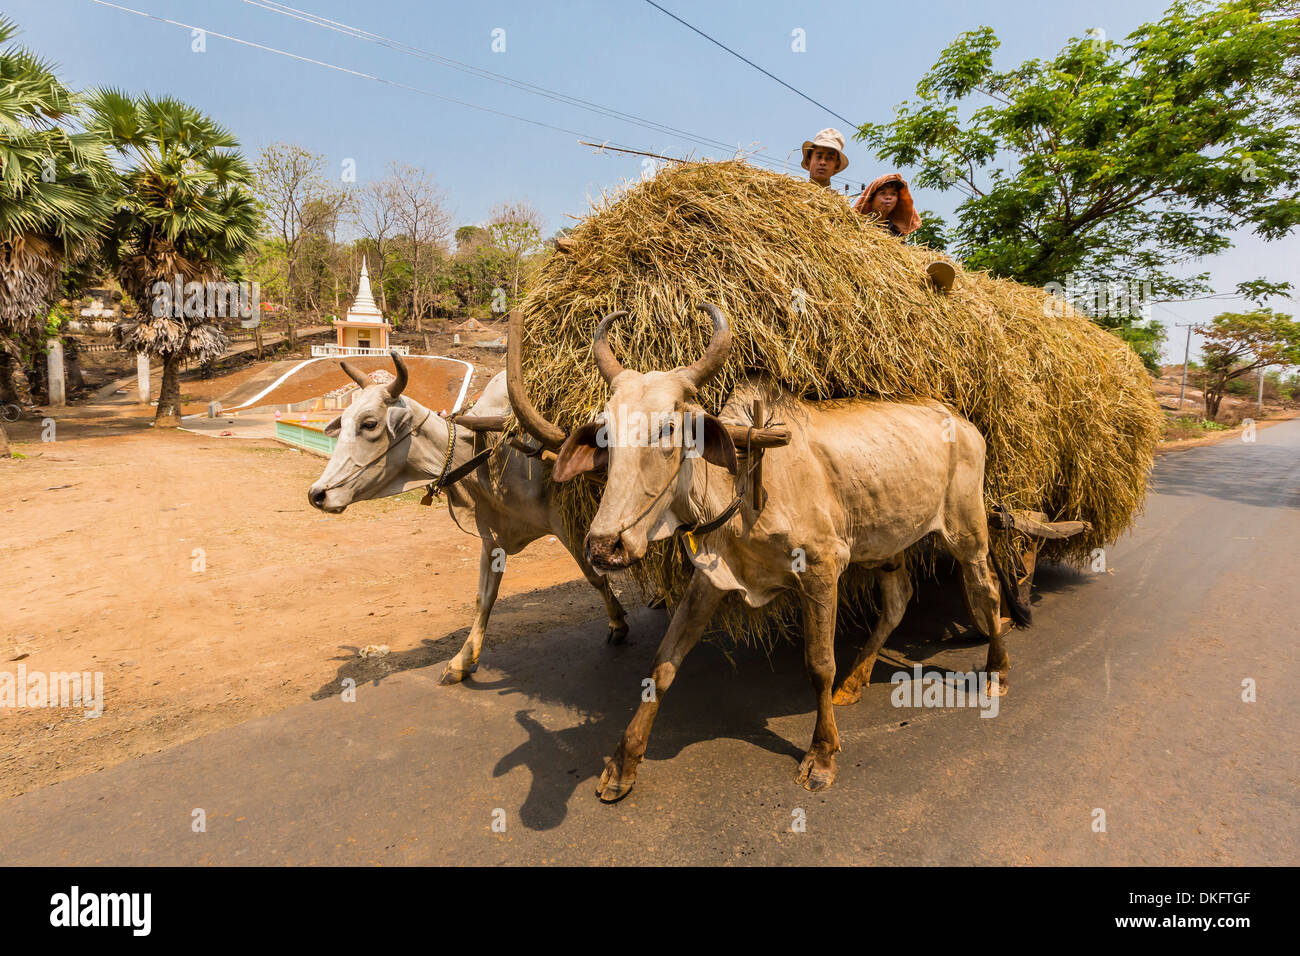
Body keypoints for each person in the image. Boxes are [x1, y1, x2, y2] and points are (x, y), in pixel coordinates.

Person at [854, 173, 956, 292]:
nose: (888, 197)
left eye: (893, 194)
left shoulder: (896, 233)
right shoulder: (859, 225)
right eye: (883, 193)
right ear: (871, 198)